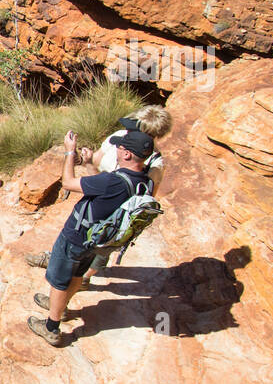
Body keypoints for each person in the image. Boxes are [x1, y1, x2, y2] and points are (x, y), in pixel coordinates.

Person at [27, 127, 156, 346]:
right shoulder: (144, 182)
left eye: (120, 147)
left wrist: (70, 151)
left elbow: (68, 182)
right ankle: (60, 305)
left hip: (76, 236)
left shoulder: (113, 181)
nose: (116, 150)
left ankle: (51, 327)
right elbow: (101, 188)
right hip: (98, 240)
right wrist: (88, 164)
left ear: (127, 154)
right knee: (78, 275)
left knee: (59, 281)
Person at [24, 106, 171, 281]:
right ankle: (60, 262)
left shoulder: (155, 164)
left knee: (102, 247)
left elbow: (144, 200)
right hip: (97, 198)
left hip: (116, 215)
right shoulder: (119, 138)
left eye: (133, 129)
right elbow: (97, 161)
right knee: (75, 237)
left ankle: (84, 278)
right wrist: (83, 160)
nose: (127, 131)